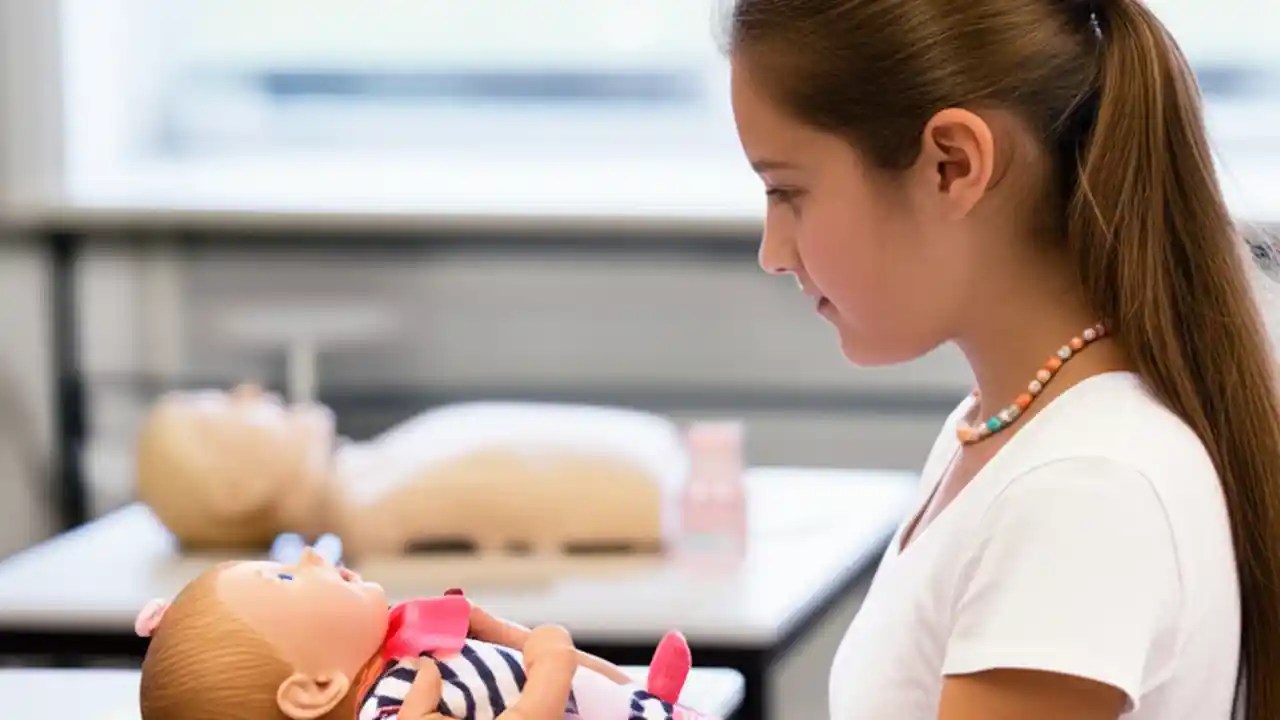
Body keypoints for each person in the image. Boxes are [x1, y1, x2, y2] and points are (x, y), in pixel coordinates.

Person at [488, 0, 1280, 718]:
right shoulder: (1002, 430)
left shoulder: (1080, 490)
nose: (773, 251)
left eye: (787, 191)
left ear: (952, 165)